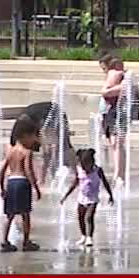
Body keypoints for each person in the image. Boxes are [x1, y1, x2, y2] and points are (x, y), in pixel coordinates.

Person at [0, 116, 43, 252]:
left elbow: (2, 170)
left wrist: (2, 187)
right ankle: (26, 242)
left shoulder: (10, 151)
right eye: (33, 136)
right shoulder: (27, 152)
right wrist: (36, 188)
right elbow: (28, 171)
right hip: (22, 183)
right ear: (25, 136)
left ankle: (4, 241)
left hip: (11, 182)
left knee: (10, 215)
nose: (35, 140)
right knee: (25, 214)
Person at [58, 147, 113, 248]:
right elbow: (74, 184)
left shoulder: (98, 170)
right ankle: (83, 236)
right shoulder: (79, 170)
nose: (85, 169)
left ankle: (89, 238)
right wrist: (65, 196)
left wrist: (111, 195)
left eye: (86, 166)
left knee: (89, 217)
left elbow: (105, 182)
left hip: (93, 198)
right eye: (83, 166)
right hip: (81, 198)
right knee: (80, 217)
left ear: (92, 162)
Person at [96, 53, 129, 181]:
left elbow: (106, 92)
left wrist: (107, 90)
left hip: (116, 113)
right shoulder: (116, 76)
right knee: (115, 144)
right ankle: (119, 174)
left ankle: (119, 175)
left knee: (117, 143)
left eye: (105, 68)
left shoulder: (119, 76)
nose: (104, 71)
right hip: (109, 113)